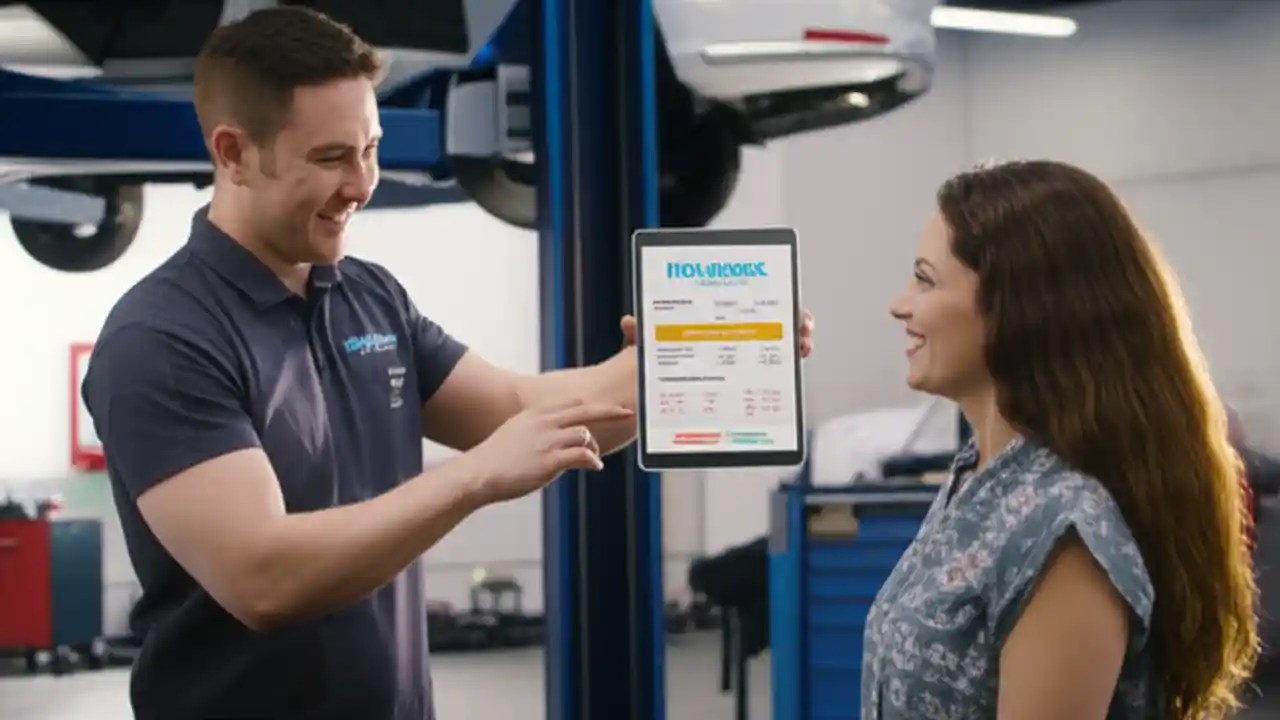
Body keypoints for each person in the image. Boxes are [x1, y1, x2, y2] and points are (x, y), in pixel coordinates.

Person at [79, 7, 814, 720]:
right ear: (233, 153)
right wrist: (474, 478)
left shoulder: (368, 297)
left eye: (370, 148)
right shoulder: (163, 339)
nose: (363, 184)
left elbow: (519, 410)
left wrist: (707, 355)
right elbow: (263, 578)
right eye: (331, 158)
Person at [863, 159, 1257, 719]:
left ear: (1016, 306)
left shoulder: (1063, 529)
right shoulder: (980, 474)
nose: (899, 304)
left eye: (925, 280)